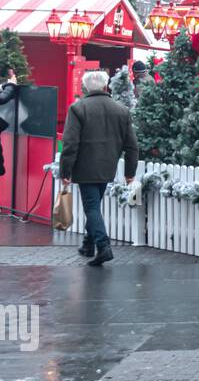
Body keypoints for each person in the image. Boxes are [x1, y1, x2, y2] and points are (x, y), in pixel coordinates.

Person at [58, 70, 139, 267]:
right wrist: (130, 173)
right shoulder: (121, 110)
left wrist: (65, 171)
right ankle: (88, 243)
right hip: (107, 166)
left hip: (84, 167)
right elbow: (132, 146)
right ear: (106, 87)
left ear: (85, 88)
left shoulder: (78, 109)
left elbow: (70, 143)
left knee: (91, 207)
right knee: (94, 205)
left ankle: (103, 246)